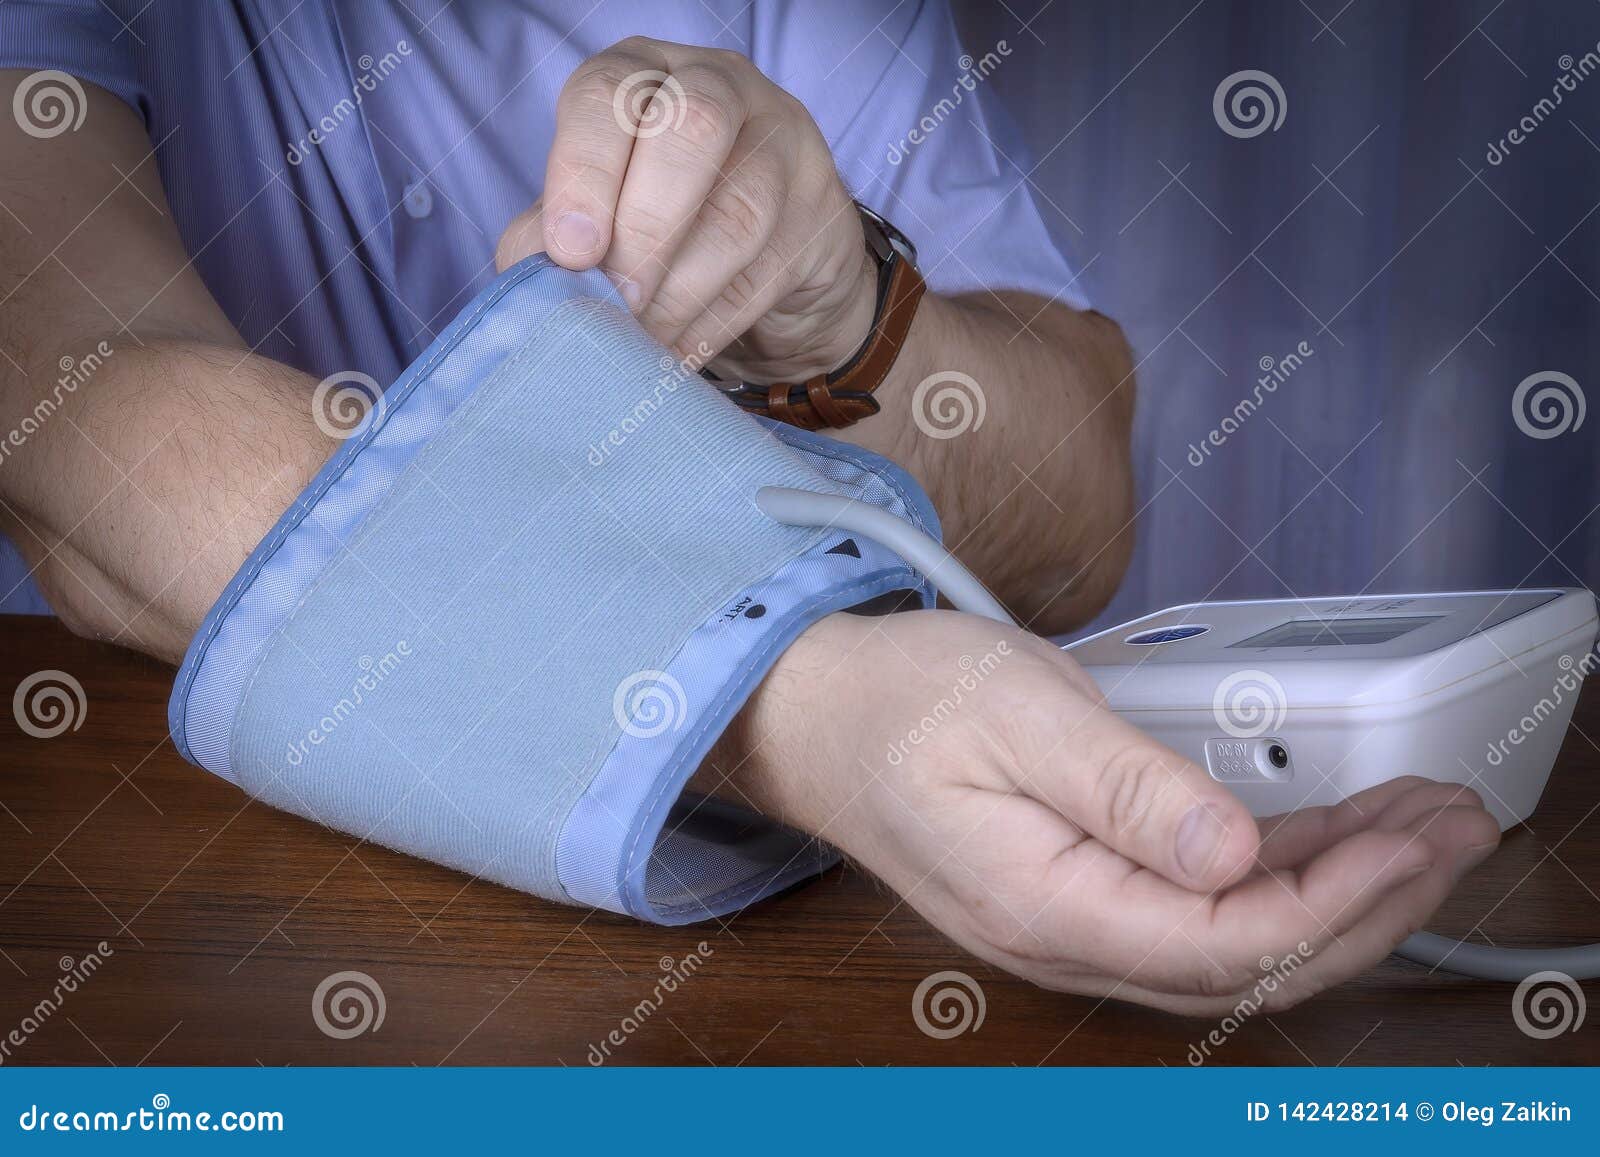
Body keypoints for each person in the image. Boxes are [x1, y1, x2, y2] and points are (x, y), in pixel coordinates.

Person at [0, 0, 1497, 1014]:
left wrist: (848, 313)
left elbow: (1080, 510)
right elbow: (72, 415)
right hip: (157, 927)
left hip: (705, 981)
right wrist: (785, 698)